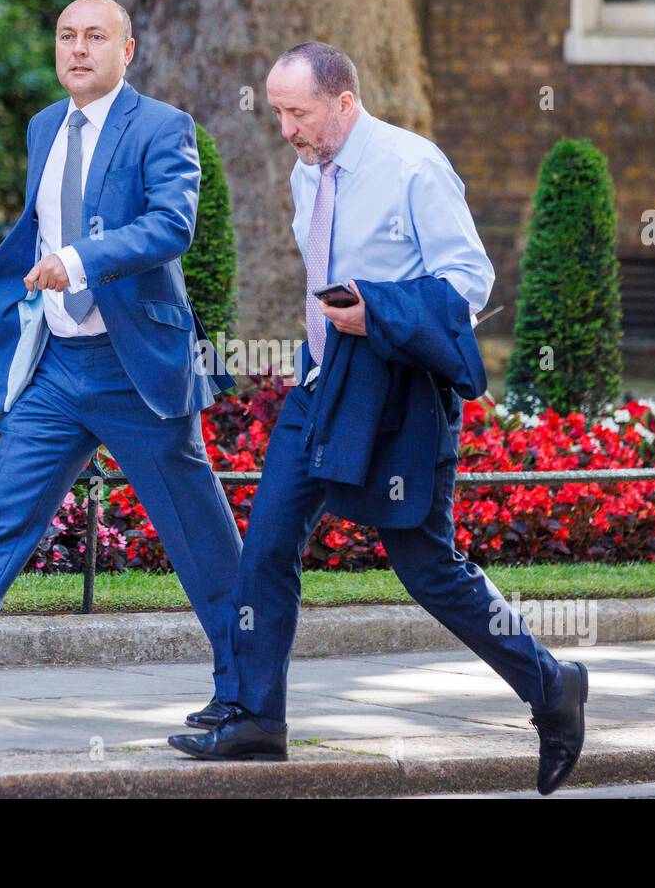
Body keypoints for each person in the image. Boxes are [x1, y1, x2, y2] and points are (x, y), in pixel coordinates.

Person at [167, 42, 588, 795]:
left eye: (299, 113)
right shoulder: (308, 172)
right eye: (279, 113)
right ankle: (257, 715)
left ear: (345, 103)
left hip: (401, 391)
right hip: (324, 385)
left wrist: (378, 312)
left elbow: (470, 281)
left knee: (427, 567)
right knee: (264, 543)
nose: (287, 129)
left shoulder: (413, 167)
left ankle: (551, 684)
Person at [0, 0, 242, 729]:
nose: (77, 49)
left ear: (126, 50)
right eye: (67, 36)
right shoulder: (45, 126)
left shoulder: (163, 127)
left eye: (95, 36)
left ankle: (248, 687)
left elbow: (171, 225)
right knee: (0, 513)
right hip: (59, 366)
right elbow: (39, 226)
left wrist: (78, 259)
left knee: (200, 537)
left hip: (137, 368)